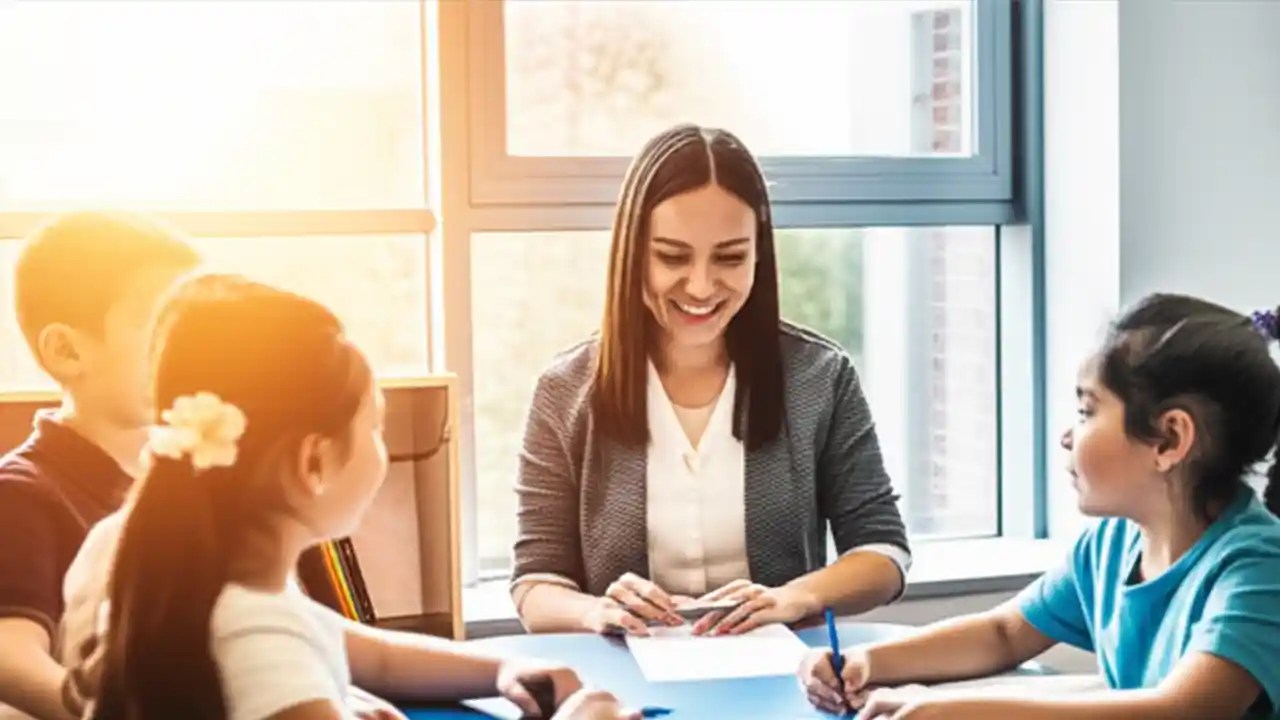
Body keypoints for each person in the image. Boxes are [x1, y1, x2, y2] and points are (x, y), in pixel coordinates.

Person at [85, 273, 627, 720]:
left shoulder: (207, 586)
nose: (379, 448)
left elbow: (376, 657)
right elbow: (286, 653)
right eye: (375, 426)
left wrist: (499, 670)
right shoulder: (262, 644)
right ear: (313, 463)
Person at [798, 294, 1280, 720]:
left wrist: (956, 711)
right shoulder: (1111, 544)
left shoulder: (1259, 569)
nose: (1068, 435)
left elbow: (1182, 709)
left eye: (1087, 411)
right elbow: (1005, 633)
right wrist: (871, 663)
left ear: (1169, 439)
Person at [512, 124, 910, 638]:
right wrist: (595, 612)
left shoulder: (820, 378)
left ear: (759, 254)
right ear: (632, 252)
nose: (701, 286)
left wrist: (793, 597)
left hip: (783, 681)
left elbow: (884, 553)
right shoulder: (564, 391)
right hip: (623, 690)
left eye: (730, 257)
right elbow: (535, 583)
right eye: (672, 257)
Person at [0, 212, 200, 720]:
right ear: (67, 350)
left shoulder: (191, 477)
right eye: (165, 326)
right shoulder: (22, 494)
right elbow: (10, 655)